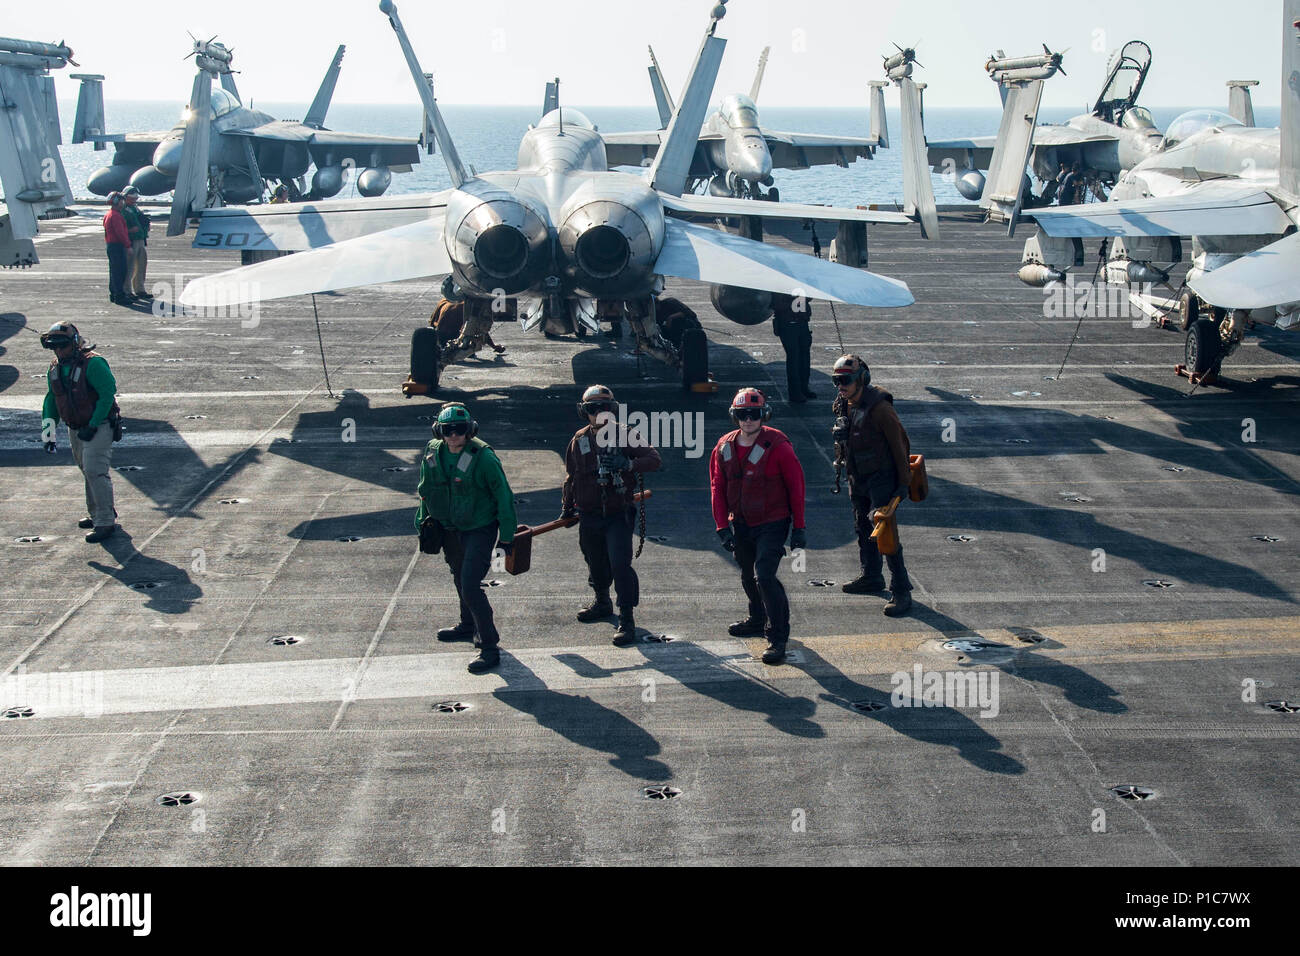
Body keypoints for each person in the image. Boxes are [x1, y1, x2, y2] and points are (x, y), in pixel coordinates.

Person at [415, 403, 517, 673]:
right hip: (448, 528)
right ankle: (467, 624)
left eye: (459, 430)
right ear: (439, 431)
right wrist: (422, 520)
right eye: (447, 430)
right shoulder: (432, 452)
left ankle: (489, 647)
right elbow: (425, 490)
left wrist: (506, 538)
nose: (453, 436)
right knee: (458, 574)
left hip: (479, 529)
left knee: (471, 584)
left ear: (470, 430)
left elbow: (504, 497)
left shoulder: (483, 458)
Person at [709, 387, 806, 664]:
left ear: (764, 415)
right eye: (742, 414)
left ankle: (777, 638)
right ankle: (756, 618)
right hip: (741, 522)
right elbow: (717, 486)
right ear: (734, 416)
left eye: (754, 414)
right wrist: (721, 526)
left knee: (764, 575)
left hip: (772, 522)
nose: (749, 419)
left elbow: (796, 486)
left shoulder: (778, 446)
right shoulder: (724, 447)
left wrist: (799, 527)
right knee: (747, 575)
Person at [561, 384, 661, 646]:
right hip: (589, 515)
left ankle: (627, 619)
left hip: (617, 514)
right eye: (594, 409)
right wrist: (567, 506)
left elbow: (654, 459)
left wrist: (628, 463)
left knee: (620, 564)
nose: (600, 413)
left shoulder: (626, 435)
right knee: (594, 561)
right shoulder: (579, 440)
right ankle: (603, 602)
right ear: (586, 412)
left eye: (605, 408)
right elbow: (571, 477)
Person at [831, 354, 913, 616]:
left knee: (886, 535)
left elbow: (901, 445)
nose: (841, 386)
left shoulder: (880, 408)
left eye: (845, 380)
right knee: (862, 527)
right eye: (836, 381)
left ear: (862, 379)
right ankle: (871, 576)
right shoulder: (846, 404)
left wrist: (903, 483)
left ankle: (901, 590)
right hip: (859, 476)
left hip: (881, 478)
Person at [39, 323, 121, 543]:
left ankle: (104, 522)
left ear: (75, 343)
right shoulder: (55, 367)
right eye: (54, 347)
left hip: (99, 425)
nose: (59, 351)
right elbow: (52, 399)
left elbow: (107, 394)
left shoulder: (94, 364)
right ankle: (97, 512)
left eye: (63, 346)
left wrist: (93, 424)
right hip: (75, 427)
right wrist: (48, 430)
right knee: (86, 469)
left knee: (95, 470)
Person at [772, 292, 815, 403]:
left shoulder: (800, 283)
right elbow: (775, 304)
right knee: (793, 358)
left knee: (804, 357)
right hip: (787, 324)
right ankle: (795, 393)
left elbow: (810, 297)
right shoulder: (779, 283)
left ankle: (804, 388)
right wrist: (794, 299)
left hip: (802, 322)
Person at [119, 186, 152, 302]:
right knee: (130, 267)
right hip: (131, 240)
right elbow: (121, 227)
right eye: (132, 198)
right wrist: (129, 231)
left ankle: (140, 289)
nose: (134, 200)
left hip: (141, 239)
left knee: (142, 265)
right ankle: (127, 290)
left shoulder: (135, 208)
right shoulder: (123, 210)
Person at [102, 193, 131, 305]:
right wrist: (128, 245)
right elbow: (121, 233)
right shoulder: (116, 216)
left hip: (111, 245)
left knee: (114, 271)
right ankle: (119, 296)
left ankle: (114, 294)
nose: (122, 203)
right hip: (117, 246)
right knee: (120, 271)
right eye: (121, 201)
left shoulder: (109, 214)